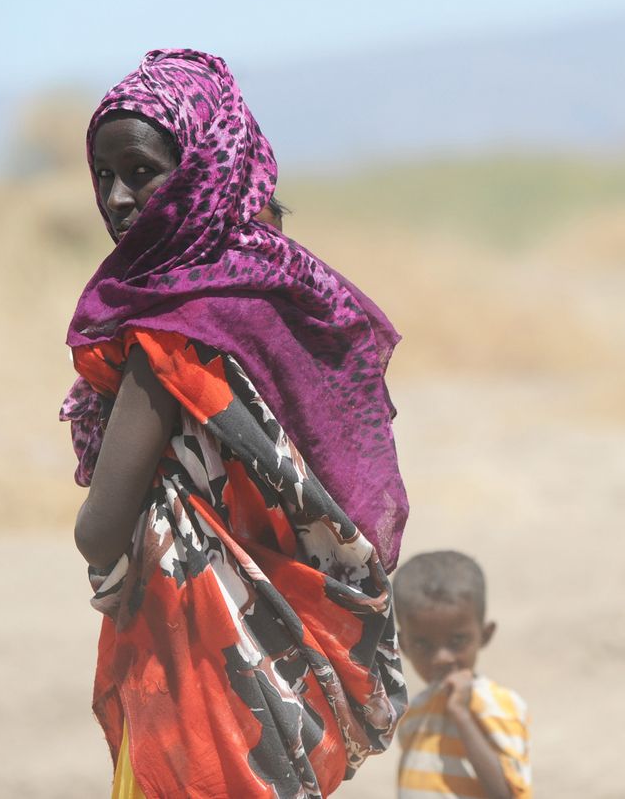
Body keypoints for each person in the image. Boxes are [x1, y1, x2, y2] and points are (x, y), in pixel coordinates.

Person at [58, 49, 410, 798]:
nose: (118, 198)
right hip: (293, 669)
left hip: (202, 678)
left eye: (141, 171)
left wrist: (110, 548)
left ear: (200, 168)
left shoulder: (169, 337)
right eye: (103, 177)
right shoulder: (292, 294)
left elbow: (100, 527)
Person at [393, 551, 531, 799]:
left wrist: (462, 716)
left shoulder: (498, 705)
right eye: (423, 644)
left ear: (485, 635)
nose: (442, 657)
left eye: (457, 641)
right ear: (403, 645)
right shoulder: (415, 711)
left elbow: (509, 794)